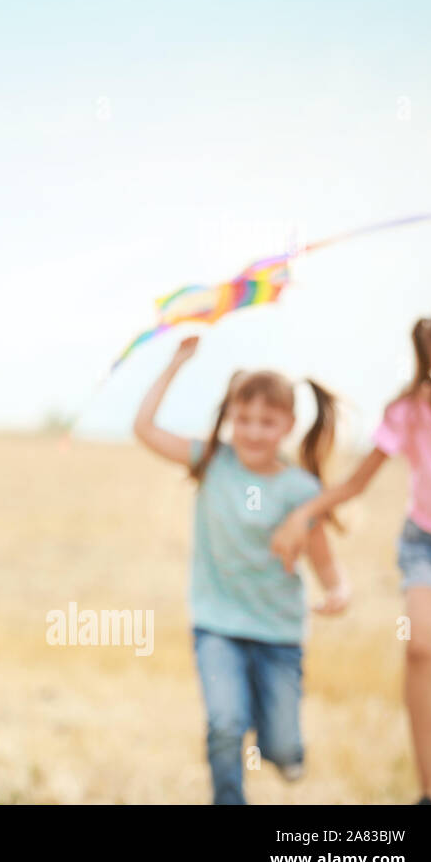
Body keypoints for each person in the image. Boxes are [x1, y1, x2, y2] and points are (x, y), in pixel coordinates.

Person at [134, 334, 349, 804]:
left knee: (282, 745)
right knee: (225, 723)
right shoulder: (213, 463)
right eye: (243, 419)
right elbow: (145, 428)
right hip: (217, 626)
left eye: (266, 422)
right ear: (230, 415)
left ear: (288, 425)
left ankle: (287, 751)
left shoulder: (299, 488)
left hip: (279, 634)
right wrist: (176, 363)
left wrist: (338, 589)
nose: (252, 432)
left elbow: (322, 555)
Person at [272, 303, 431, 804]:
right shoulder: (410, 412)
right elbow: (354, 483)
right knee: (419, 647)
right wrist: (302, 514)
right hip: (430, 550)